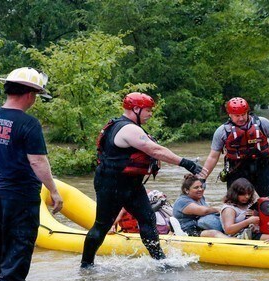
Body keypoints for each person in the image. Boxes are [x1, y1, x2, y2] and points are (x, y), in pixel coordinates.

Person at [80, 92, 205, 268]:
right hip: (112, 185)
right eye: (148, 110)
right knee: (102, 226)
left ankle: (159, 261)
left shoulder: (131, 126)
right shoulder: (128, 129)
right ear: (136, 109)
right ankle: (86, 265)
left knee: (147, 219)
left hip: (131, 184)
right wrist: (185, 163)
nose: (150, 114)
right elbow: (155, 150)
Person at [0, 67, 63, 281]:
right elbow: (38, 162)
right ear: (30, 94)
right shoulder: (28, 123)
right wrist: (54, 191)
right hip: (18, 194)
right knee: (20, 243)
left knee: (2, 244)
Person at [200, 97, 269, 197]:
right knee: (234, 206)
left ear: (248, 112)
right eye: (237, 115)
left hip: (262, 169)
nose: (241, 118)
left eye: (243, 114)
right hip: (236, 171)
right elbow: (213, 157)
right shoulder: (222, 131)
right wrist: (202, 178)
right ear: (229, 114)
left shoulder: (262, 123)